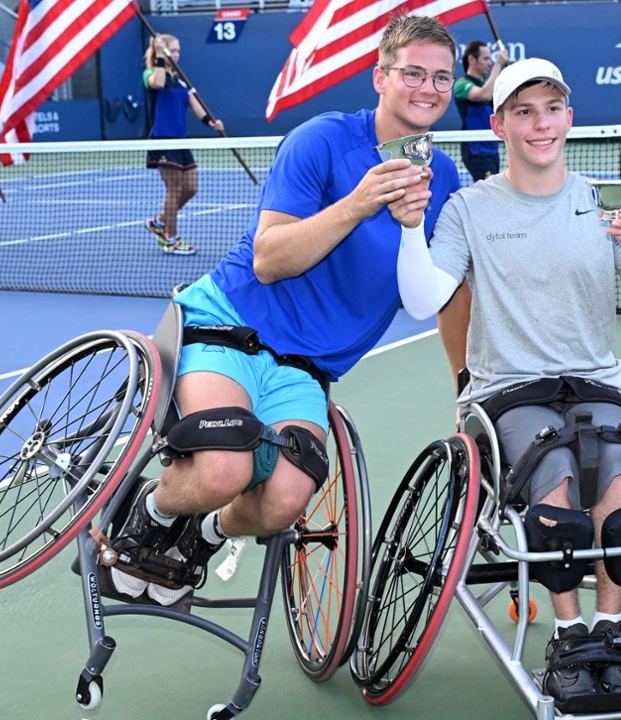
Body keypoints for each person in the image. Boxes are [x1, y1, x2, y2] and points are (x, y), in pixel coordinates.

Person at [104, 15, 463, 608]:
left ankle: (204, 532)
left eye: (442, 78)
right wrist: (359, 202)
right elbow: (270, 260)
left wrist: (464, 388)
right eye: (414, 73)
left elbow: (450, 288)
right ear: (380, 77)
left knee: (284, 500)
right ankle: (150, 507)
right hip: (228, 331)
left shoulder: (443, 177)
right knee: (225, 470)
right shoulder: (320, 141)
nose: (428, 89)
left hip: (305, 371)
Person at [394, 58, 621, 711]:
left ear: (570, 118)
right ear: (498, 125)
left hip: (596, 388)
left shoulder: (605, 200)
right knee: (554, 475)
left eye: (551, 109)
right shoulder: (469, 208)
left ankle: (609, 634)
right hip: (509, 393)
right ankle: (567, 633)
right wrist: (412, 227)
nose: (540, 124)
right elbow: (423, 301)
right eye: (523, 112)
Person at [142, 33, 225, 256]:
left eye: (179, 51)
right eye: (173, 50)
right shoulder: (152, 73)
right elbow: (157, 83)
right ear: (162, 50)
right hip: (162, 139)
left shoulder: (180, 79)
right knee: (174, 190)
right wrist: (159, 55)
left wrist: (212, 123)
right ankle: (172, 238)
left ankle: (160, 222)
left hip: (180, 141)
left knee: (191, 188)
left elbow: (195, 105)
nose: (177, 55)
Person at [452, 40, 508, 181]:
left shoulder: (488, 84)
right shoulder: (462, 84)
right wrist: (498, 64)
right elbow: (484, 95)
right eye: (486, 59)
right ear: (471, 59)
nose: (489, 63)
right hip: (475, 150)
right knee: (489, 193)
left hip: (492, 147)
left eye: (491, 59)